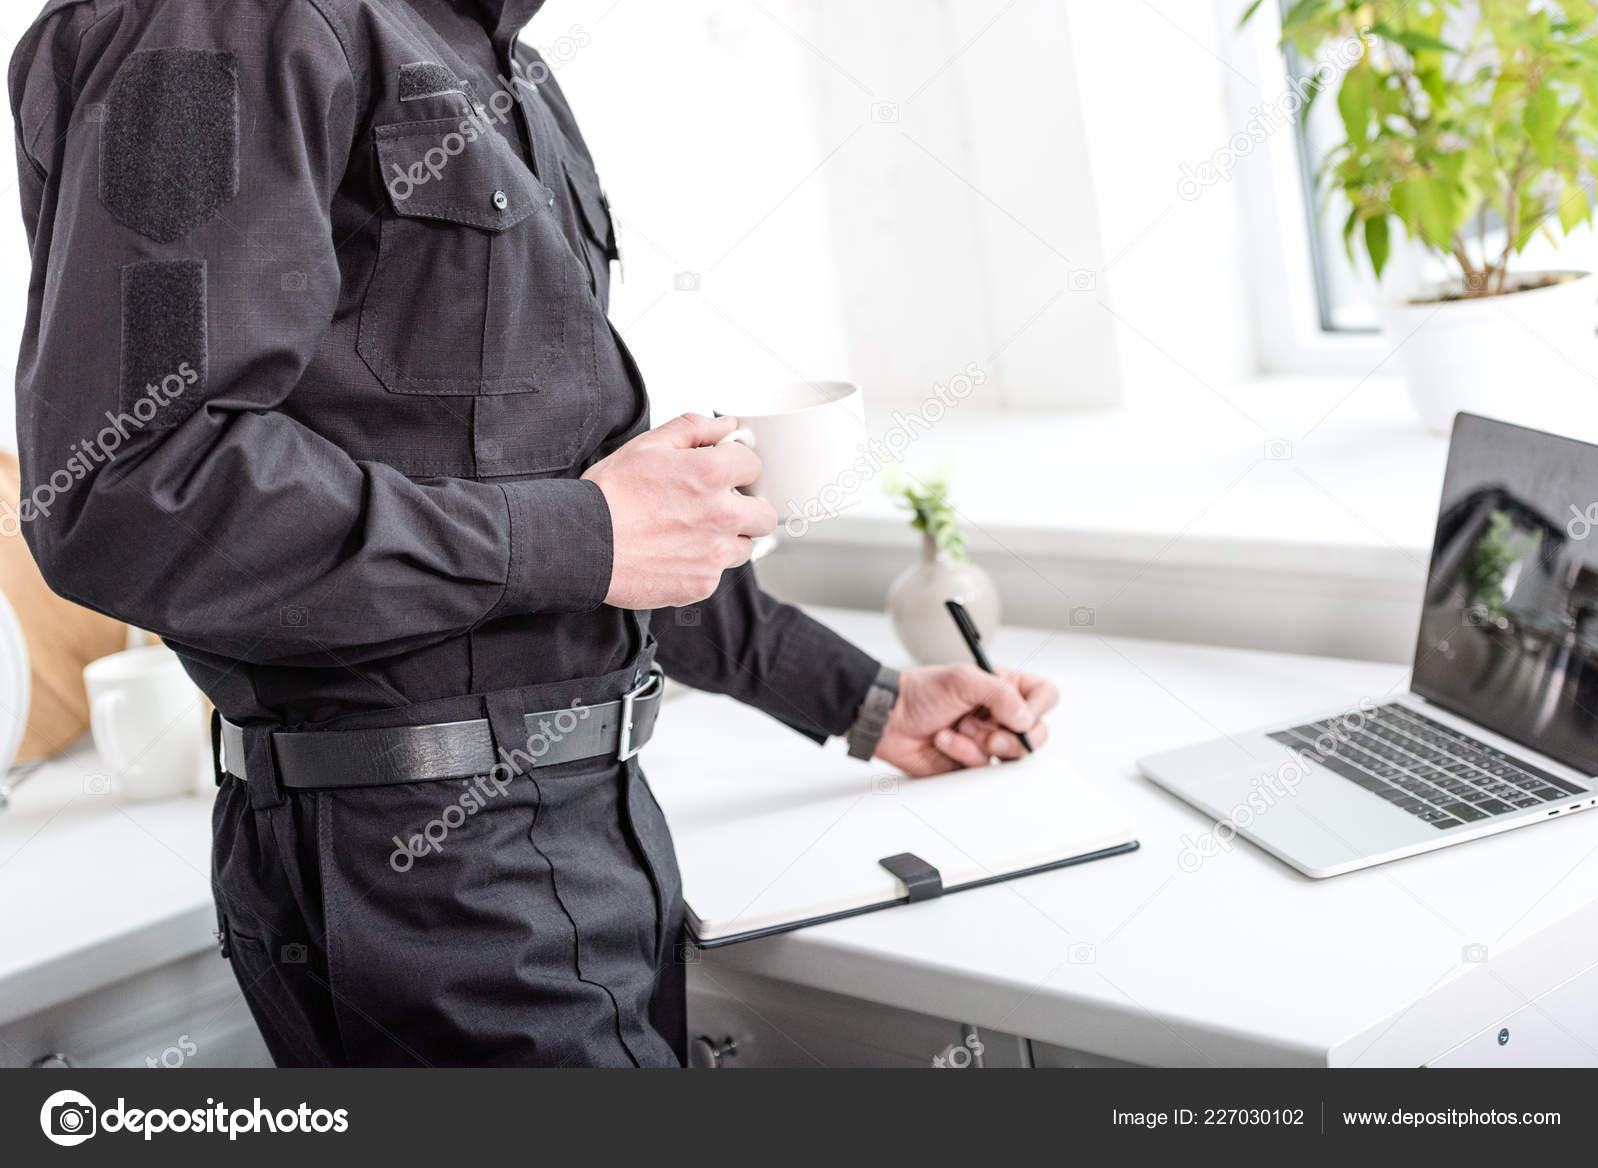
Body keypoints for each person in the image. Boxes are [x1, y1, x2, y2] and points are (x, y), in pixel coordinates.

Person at [8, 0, 1057, 1067]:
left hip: (584, 844)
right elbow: (128, 488)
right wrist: (583, 532)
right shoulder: (227, 21)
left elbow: (591, 516)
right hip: (431, 886)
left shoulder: (500, 62)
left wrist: (864, 700)